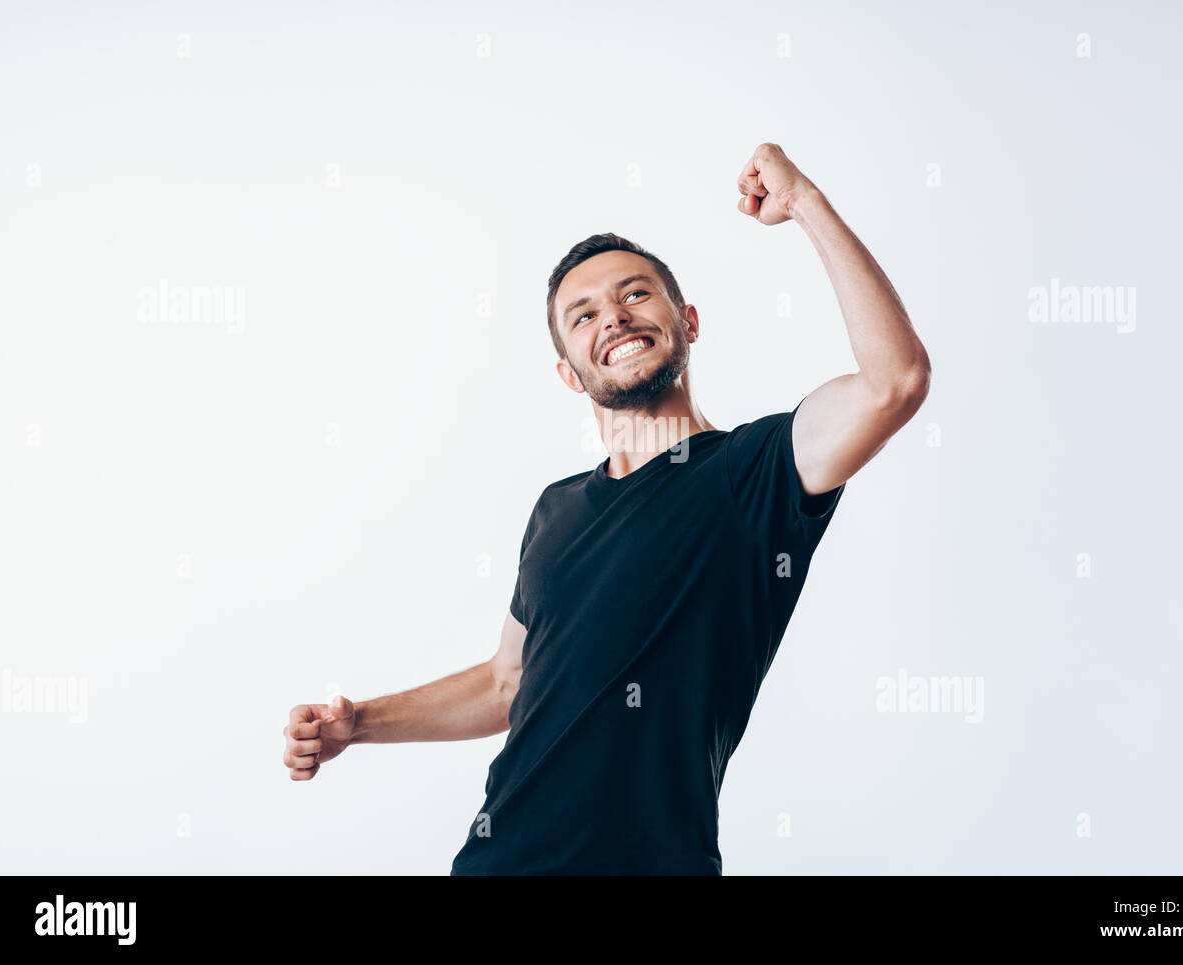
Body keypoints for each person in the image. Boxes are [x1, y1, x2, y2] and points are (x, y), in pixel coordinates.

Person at [283, 142, 931, 874]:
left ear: (687, 320)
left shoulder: (755, 473)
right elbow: (507, 680)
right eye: (584, 314)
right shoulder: (555, 510)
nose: (615, 318)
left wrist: (806, 201)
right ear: (569, 371)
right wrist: (359, 723)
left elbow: (895, 382)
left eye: (635, 294)